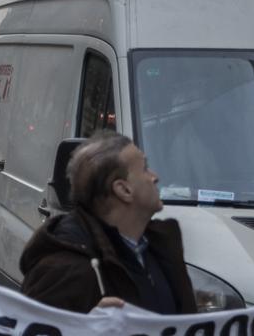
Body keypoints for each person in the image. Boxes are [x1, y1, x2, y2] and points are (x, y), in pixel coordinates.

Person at [19, 132, 197, 314]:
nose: (155, 177)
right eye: (145, 169)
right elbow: (31, 334)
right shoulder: (64, 269)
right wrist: (86, 327)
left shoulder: (160, 250)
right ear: (123, 190)